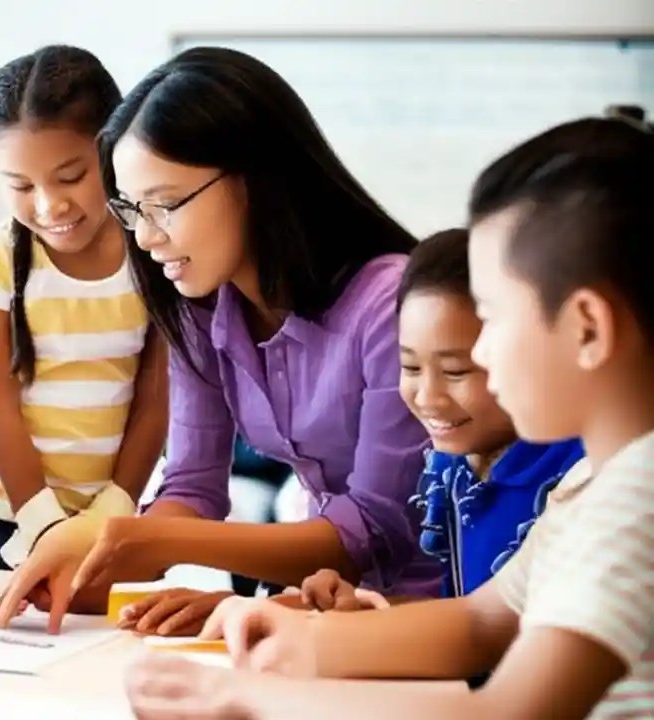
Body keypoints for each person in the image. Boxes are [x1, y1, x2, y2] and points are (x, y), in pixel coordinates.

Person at [130, 115, 654, 720]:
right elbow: (479, 623)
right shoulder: (593, 485)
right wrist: (298, 635)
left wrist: (249, 698)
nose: (481, 353)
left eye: (494, 317)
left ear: (587, 328)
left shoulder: (636, 497)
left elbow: (509, 711)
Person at [0, 46, 437, 632]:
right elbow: (193, 487)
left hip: (429, 620)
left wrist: (145, 538)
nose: (145, 238)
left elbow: (373, 533)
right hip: (325, 609)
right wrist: (100, 555)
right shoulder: (202, 308)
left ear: (255, 178)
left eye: (166, 204)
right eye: (132, 209)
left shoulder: (388, 306)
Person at [0, 44, 167, 615]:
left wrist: (111, 513)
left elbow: (154, 401)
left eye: (71, 176)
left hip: (110, 523)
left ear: (114, 151)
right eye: (20, 185)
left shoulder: (151, 250)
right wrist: (44, 527)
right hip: (7, 521)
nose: (49, 205)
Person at [292, 229, 584, 613]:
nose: (427, 396)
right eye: (410, 366)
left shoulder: (576, 472)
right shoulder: (451, 467)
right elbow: (463, 615)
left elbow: (502, 632)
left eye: (456, 371)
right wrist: (363, 607)